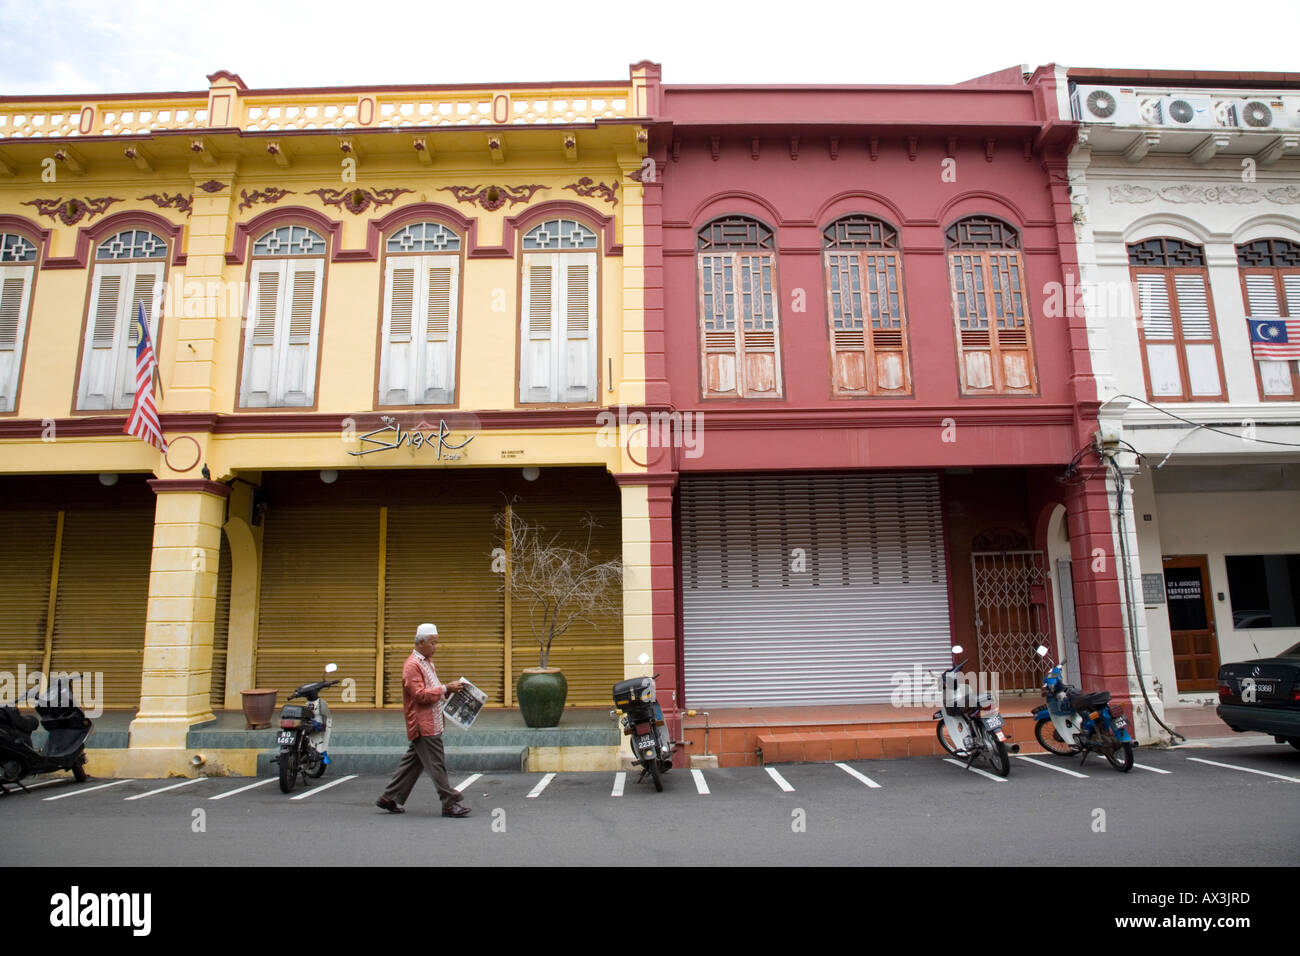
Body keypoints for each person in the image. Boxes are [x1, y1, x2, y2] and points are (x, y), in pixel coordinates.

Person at [375, 623, 471, 817]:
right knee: (436, 763)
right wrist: (446, 689)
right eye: (432, 643)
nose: (435, 647)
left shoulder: (427, 661)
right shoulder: (412, 665)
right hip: (423, 724)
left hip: (432, 720)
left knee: (414, 762)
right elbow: (419, 695)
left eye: (436, 643)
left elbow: (432, 688)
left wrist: (448, 691)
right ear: (420, 642)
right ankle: (449, 803)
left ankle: (389, 797)